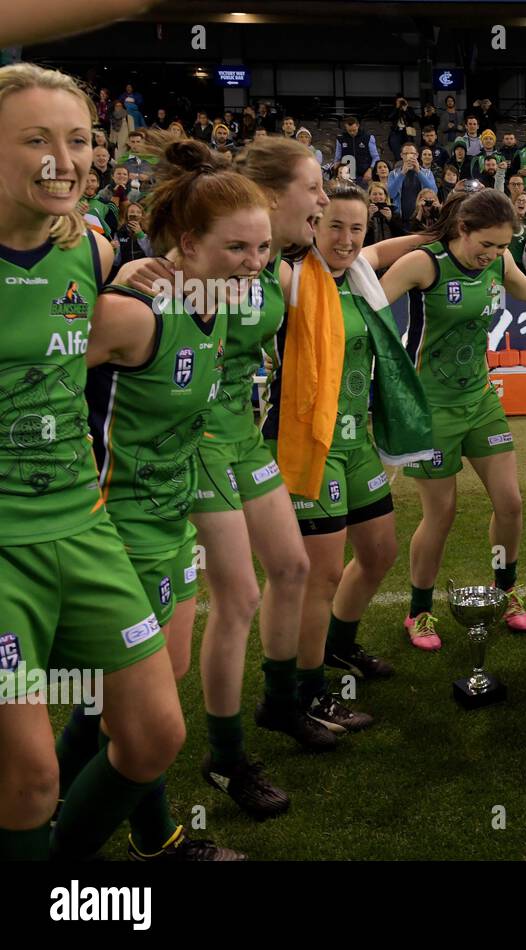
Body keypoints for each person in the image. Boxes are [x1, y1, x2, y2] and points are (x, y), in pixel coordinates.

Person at [0, 60, 183, 864]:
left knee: (152, 737)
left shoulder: (90, 246)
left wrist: (128, 273)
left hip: (85, 528)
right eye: (35, 140)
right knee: (29, 777)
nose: (63, 160)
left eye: (77, 140)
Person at [85, 139, 275, 849]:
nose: (255, 262)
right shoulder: (135, 312)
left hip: (171, 518)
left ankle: (107, 828)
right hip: (112, 526)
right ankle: (119, 836)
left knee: (147, 693)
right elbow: (35, 359)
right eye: (238, 248)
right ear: (188, 245)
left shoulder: (218, 303)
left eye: (261, 248)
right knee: (145, 710)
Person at [381, 189, 526, 647]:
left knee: (511, 504)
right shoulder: (424, 263)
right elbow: (369, 304)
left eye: (503, 247)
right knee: (440, 515)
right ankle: (419, 612)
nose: (496, 256)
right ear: (462, 229)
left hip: (481, 399)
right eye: (488, 245)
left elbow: (525, 287)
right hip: (430, 410)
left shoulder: (498, 263)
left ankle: (506, 590)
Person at [266, 179, 431, 725]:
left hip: (356, 439)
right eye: (333, 225)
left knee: (380, 550)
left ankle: (338, 645)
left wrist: (438, 232)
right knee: (323, 576)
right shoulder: (292, 276)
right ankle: (306, 691)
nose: (345, 239)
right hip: (309, 443)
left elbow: (384, 249)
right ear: (311, 224)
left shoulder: (358, 273)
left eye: (356, 228)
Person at [388, 142, 438, 225]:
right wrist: (402, 173)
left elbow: (433, 192)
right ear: (401, 155)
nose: (409, 156)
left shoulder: (427, 173)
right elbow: (391, 194)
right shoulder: (393, 174)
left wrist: (418, 172)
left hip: (422, 218)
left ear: (417, 155)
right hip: (401, 218)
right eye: (406, 154)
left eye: (412, 153)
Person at [334, 115, 380, 183]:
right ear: (346, 127)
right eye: (349, 131)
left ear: (358, 126)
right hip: (347, 175)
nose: (352, 133)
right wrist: (336, 173)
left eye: (354, 130)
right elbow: (337, 159)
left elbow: (376, 157)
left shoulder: (368, 138)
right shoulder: (340, 139)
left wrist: (370, 170)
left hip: (364, 175)